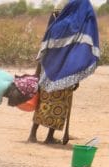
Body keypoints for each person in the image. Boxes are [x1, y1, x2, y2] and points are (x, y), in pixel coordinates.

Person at [29, 0, 99, 146]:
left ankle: (32, 135)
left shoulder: (56, 24)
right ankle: (49, 137)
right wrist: (76, 77)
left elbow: (45, 46)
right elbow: (78, 53)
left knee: (42, 101)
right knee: (59, 106)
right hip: (65, 73)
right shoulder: (76, 26)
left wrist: (37, 71)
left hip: (48, 70)